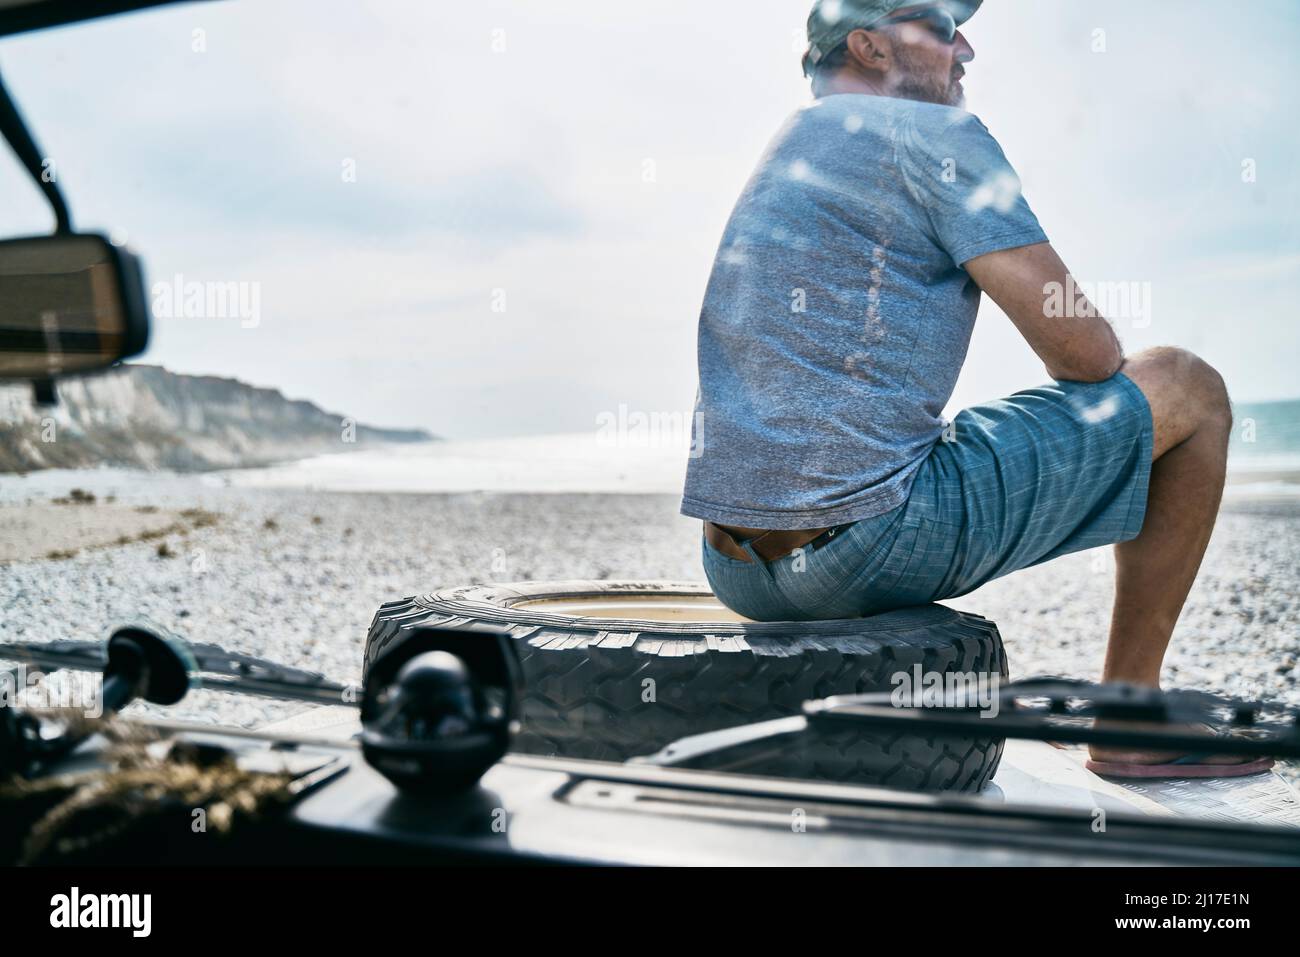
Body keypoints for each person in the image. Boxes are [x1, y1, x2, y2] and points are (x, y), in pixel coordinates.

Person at [679, 0, 1268, 778]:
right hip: (863, 545)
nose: (967, 49)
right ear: (871, 47)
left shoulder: (789, 145)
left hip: (734, 568)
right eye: (942, 28)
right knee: (1191, 390)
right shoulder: (935, 136)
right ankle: (1128, 718)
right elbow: (1086, 355)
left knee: (916, 444)